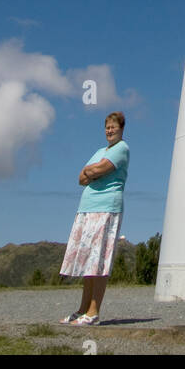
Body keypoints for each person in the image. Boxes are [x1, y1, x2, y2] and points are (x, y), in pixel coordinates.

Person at [59, 111, 129, 326]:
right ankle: (83, 309)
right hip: (87, 208)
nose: (109, 130)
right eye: (107, 127)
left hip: (106, 207)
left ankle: (93, 311)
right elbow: (81, 178)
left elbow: (100, 168)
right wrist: (91, 171)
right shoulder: (101, 150)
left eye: (113, 127)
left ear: (121, 129)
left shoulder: (122, 149)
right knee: (89, 260)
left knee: (98, 260)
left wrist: (92, 170)